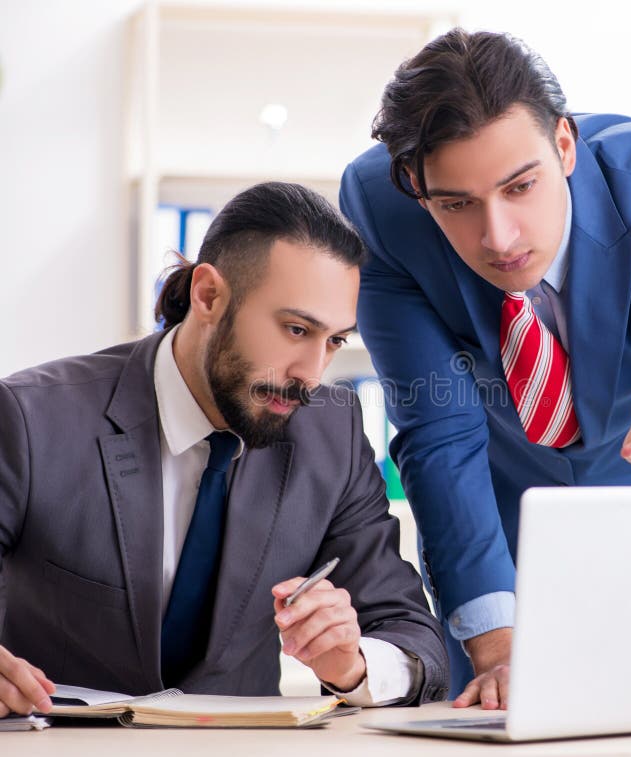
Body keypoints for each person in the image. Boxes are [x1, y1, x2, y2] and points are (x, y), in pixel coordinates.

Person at [339, 28, 631, 709]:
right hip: (494, 559)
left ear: (566, 145)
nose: (499, 236)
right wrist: (500, 648)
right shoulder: (382, 209)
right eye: (456, 204)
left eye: (521, 186)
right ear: (414, 187)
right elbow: (439, 435)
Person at [0, 182, 449, 718]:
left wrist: (352, 664)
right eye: (296, 329)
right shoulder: (31, 419)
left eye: (333, 341)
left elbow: (415, 641)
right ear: (209, 295)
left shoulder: (332, 432)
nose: (312, 373)